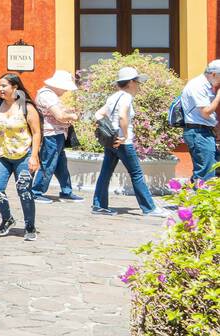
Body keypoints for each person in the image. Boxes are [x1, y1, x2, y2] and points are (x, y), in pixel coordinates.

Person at [92, 66, 168, 218]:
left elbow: (98, 114)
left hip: (112, 141)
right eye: (137, 81)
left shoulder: (113, 97)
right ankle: (149, 208)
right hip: (122, 142)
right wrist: (125, 135)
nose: (139, 85)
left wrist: (108, 131)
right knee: (136, 173)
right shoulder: (126, 97)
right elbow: (122, 116)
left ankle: (99, 205)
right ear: (131, 82)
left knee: (105, 173)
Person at [0, 73, 42, 241]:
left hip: (23, 155)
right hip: (1, 155)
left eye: (4, 86)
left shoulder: (27, 107)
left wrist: (34, 156)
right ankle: (7, 219)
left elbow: (36, 133)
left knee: (24, 191)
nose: (0, 89)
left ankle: (30, 225)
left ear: (15, 88)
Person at [32, 70, 82, 203]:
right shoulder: (48, 95)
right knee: (48, 163)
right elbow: (59, 116)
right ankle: (36, 191)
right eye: (65, 88)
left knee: (61, 164)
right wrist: (73, 116)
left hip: (57, 133)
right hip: (51, 134)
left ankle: (66, 191)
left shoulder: (49, 95)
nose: (65, 91)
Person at [179, 59, 220, 185]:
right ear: (213, 74)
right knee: (206, 171)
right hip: (198, 132)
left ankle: (194, 199)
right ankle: (200, 201)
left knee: (209, 167)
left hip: (204, 131)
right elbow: (206, 111)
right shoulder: (198, 85)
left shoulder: (207, 86)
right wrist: (219, 96)